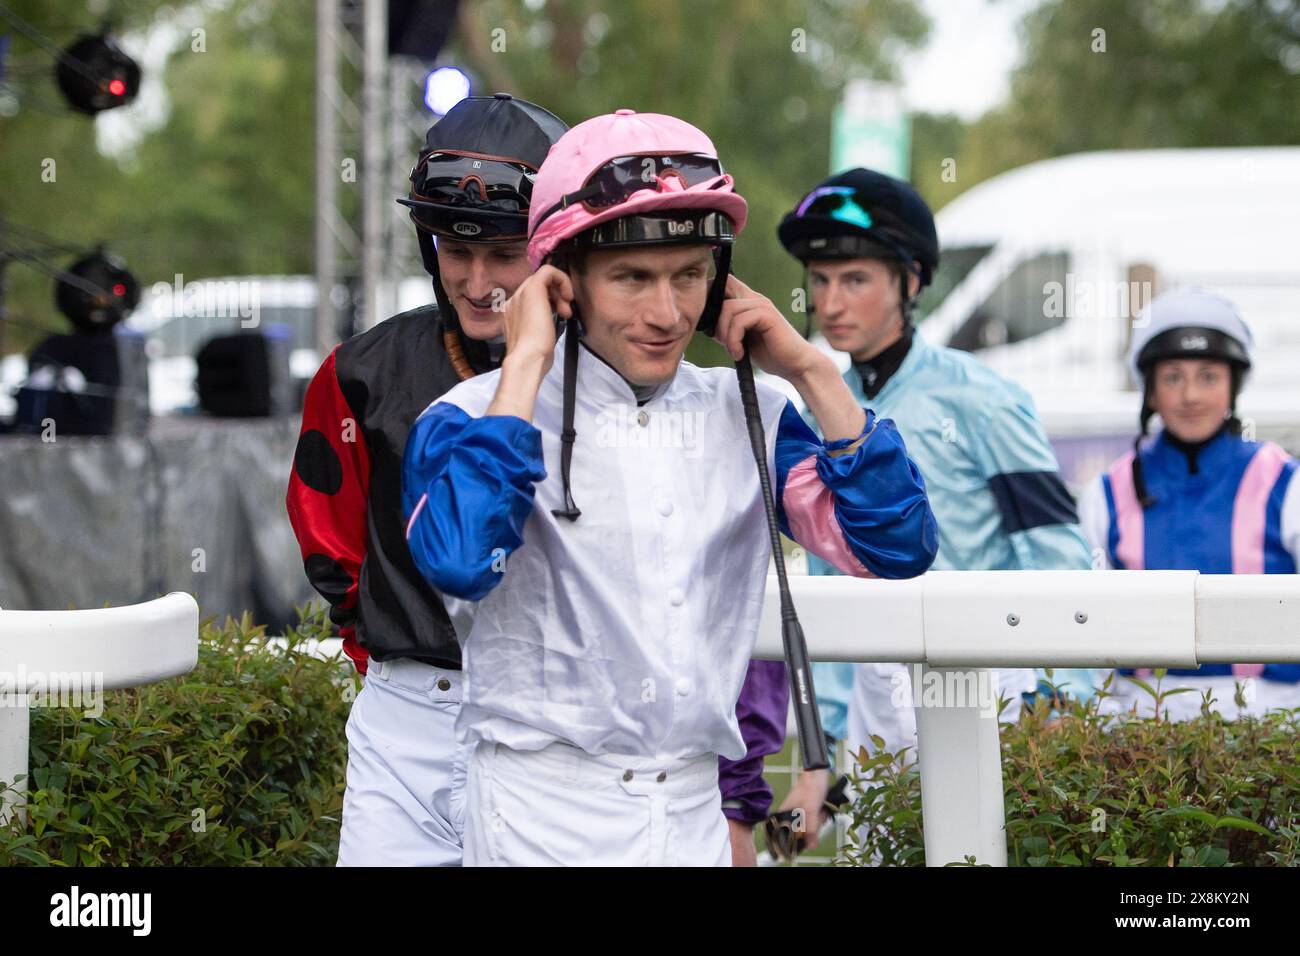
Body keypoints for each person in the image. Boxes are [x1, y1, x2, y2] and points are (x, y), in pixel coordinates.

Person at [401, 110, 938, 866]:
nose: (667, 314)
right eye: (632, 279)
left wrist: (814, 373)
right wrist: (524, 362)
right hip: (538, 817)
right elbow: (458, 560)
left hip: (694, 813)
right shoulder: (461, 417)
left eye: (689, 275)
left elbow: (896, 549)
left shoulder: (758, 413)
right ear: (561, 282)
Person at [285, 93, 567, 865]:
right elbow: (328, 537)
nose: (478, 282)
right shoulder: (359, 372)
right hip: (405, 719)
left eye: (505, 254)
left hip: (556, 727)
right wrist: (386, 658)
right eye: (455, 249)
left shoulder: (607, 381)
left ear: (553, 248)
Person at [771, 169, 1094, 843]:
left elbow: (1059, 555)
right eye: (820, 279)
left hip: (993, 693)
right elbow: (831, 586)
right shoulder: (814, 413)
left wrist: (1062, 697)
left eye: (854, 279)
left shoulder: (983, 398)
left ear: (910, 281)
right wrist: (819, 752)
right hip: (873, 707)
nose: (830, 302)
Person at [1078, 288, 1300, 720]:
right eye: (1173, 377)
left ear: (1233, 386)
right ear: (1151, 392)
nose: (1191, 395)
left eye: (1209, 376)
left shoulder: (1285, 482)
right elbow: (1084, 621)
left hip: (1272, 716)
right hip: (1141, 723)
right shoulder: (1106, 492)